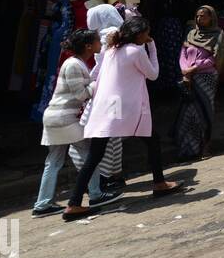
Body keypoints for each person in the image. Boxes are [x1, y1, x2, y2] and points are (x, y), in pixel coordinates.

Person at [64, 17, 181, 220]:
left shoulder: (110, 50)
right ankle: (159, 184)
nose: (148, 36)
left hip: (105, 106)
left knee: (95, 155)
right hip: (126, 107)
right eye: (146, 33)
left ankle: (74, 203)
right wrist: (152, 48)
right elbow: (153, 74)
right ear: (139, 34)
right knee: (152, 140)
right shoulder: (136, 51)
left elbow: (96, 74)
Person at [34, 29, 119, 216]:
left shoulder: (76, 63)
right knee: (90, 154)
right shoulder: (73, 64)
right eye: (98, 41)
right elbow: (81, 94)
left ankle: (42, 204)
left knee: (54, 161)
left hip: (57, 117)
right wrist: (100, 82)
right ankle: (96, 194)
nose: (100, 43)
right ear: (88, 46)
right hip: (63, 117)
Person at [176, 5, 224, 160]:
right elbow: (183, 53)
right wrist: (185, 70)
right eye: (198, 16)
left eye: (203, 16)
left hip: (205, 78)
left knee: (204, 112)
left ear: (211, 18)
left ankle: (205, 148)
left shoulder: (218, 34)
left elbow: (215, 58)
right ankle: (188, 149)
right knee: (188, 113)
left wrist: (194, 68)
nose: (200, 19)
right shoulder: (191, 33)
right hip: (188, 78)